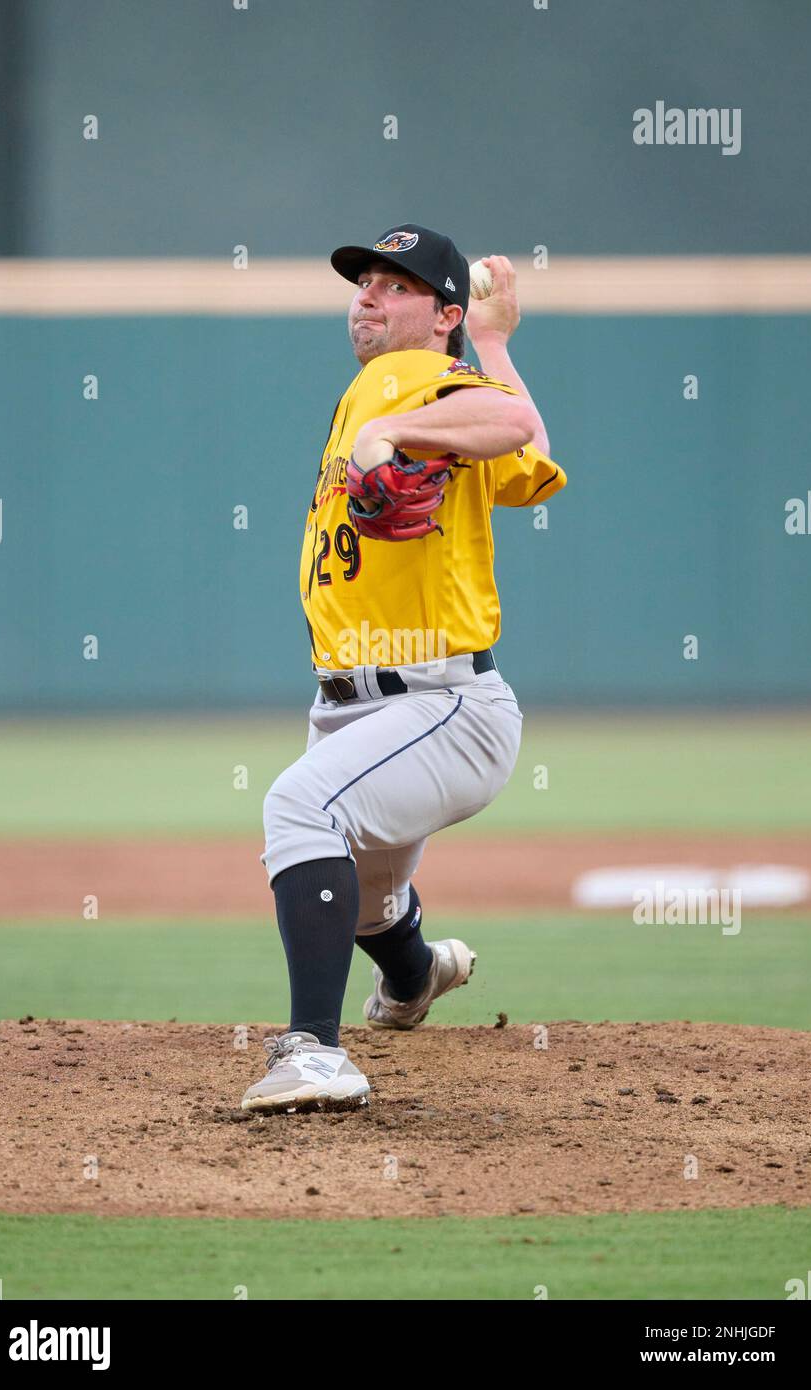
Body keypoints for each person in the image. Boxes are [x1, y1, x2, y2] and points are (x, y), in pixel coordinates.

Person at [241, 224, 566, 1112]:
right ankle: (416, 974)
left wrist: (392, 426)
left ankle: (315, 1053)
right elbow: (526, 464)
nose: (369, 297)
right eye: (365, 283)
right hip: (359, 703)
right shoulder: (407, 392)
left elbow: (515, 425)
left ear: (441, 318)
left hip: (441, 701)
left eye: (397, 285)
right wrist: (494, 345)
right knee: (366, 903)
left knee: (300, 807)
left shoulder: (402, 381)